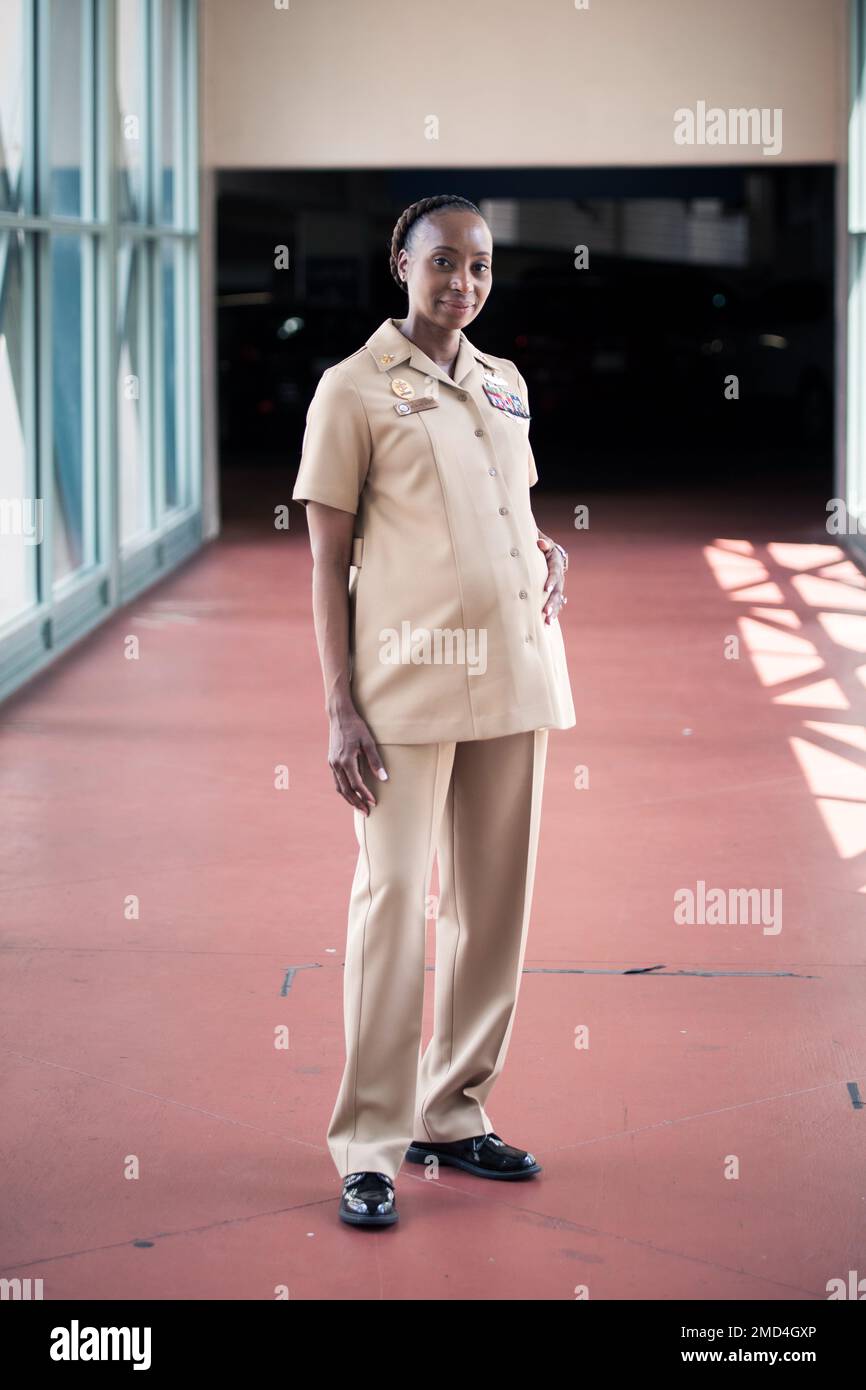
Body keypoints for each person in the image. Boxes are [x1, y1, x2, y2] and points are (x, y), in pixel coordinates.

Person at [292, 193, 576, 1228]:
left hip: (513, 674)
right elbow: (327, 568)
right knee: (391, 901)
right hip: (402, 690)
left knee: (491, 912)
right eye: (442, 263)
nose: (461, 283)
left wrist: (547, 550)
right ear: (399, 264)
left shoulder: (503, 386)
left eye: (481, 268)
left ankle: (452, 1113)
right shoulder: (351, 391)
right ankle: (367, 1143)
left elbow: (518, 509)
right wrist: (338, 709)